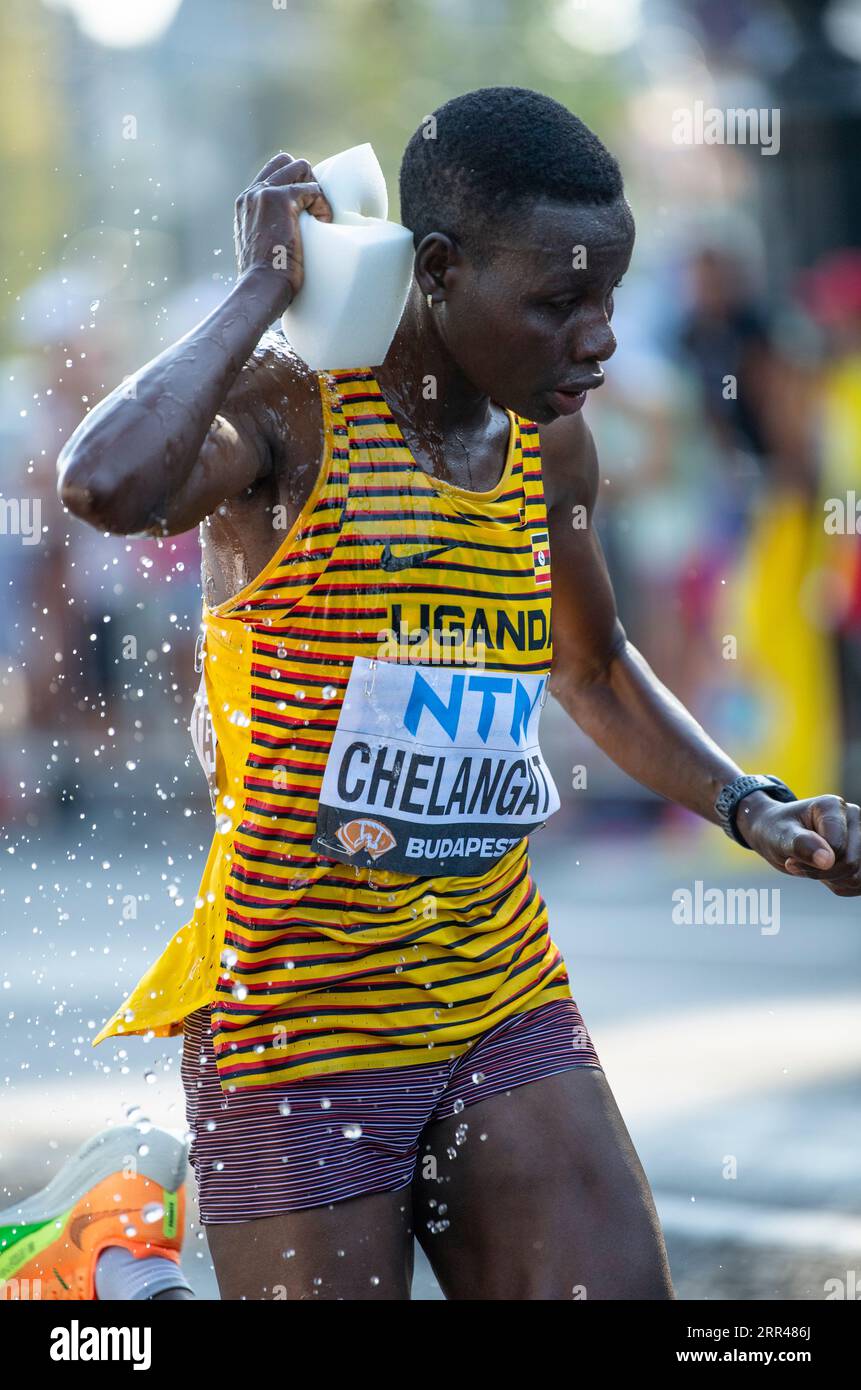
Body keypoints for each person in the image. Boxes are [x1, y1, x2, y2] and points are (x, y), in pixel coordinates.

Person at [9, 87, 859, 1303]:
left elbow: (595, 664)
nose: (601, 339)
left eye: (609, 298)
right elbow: (102, 485)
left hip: (499, 992)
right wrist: (262, 286)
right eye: (560, 303)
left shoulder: (550, 444)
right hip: (301, 1022)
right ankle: (109, 1281)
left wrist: (752, 805)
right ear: (441, 271)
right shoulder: (290, 412)